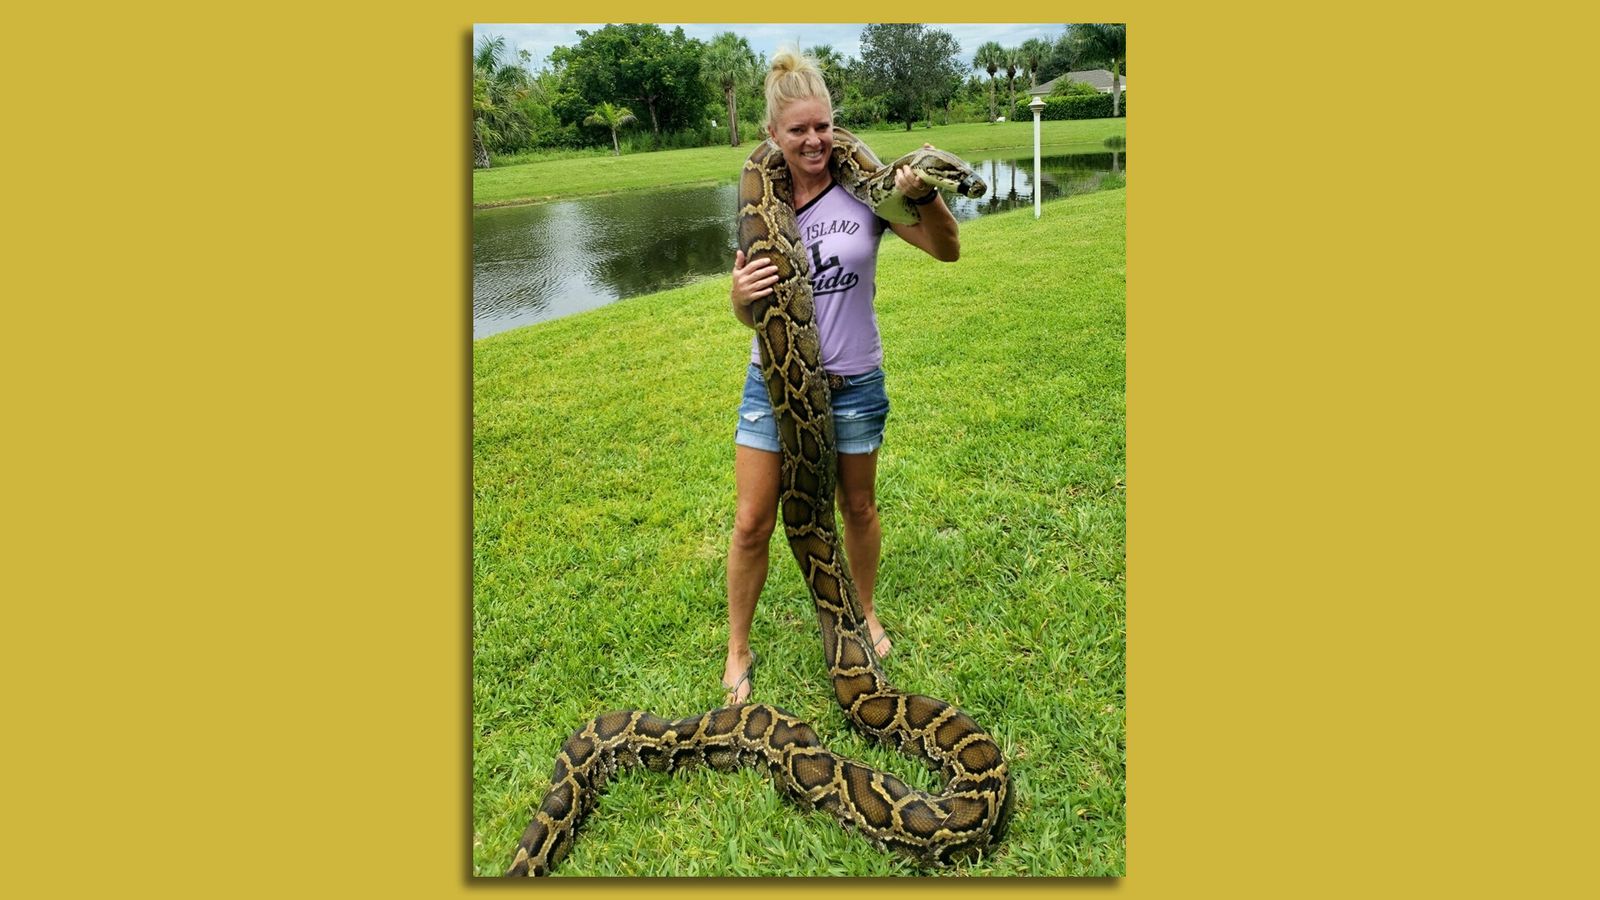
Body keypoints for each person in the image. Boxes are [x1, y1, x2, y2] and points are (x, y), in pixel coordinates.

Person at [722, 47, 962, 704]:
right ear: (774, 134)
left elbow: (947, 249)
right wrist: (739, 296)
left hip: (853, 380)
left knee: (856, 506)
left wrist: (924, 195)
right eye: (798, 129)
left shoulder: (866, 189)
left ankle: (862, 611)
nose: (814, 140)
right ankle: (737, 646)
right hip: (772, 385)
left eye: (823, 126)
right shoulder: (757, 199)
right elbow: (748, 310)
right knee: (751, 521)